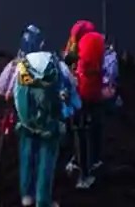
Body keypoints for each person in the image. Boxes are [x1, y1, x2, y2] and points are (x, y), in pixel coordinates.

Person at [13, 31, 80, 207]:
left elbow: (11, 91)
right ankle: (43, 200)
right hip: (50, 122)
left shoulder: (22, 65)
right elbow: (72, 85)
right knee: (47, 159)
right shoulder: (56, 64)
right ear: (43, 44)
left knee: (27, 154)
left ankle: (26, 195)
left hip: (27, 121)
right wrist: (70, 107)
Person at [73, 30, 108, 190]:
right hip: (94, 98)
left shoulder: (82, 62)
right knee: (92, 130)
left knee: (80, 134)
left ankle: (83, 172)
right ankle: (93, 163)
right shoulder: (99, 60)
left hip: (82, 98)